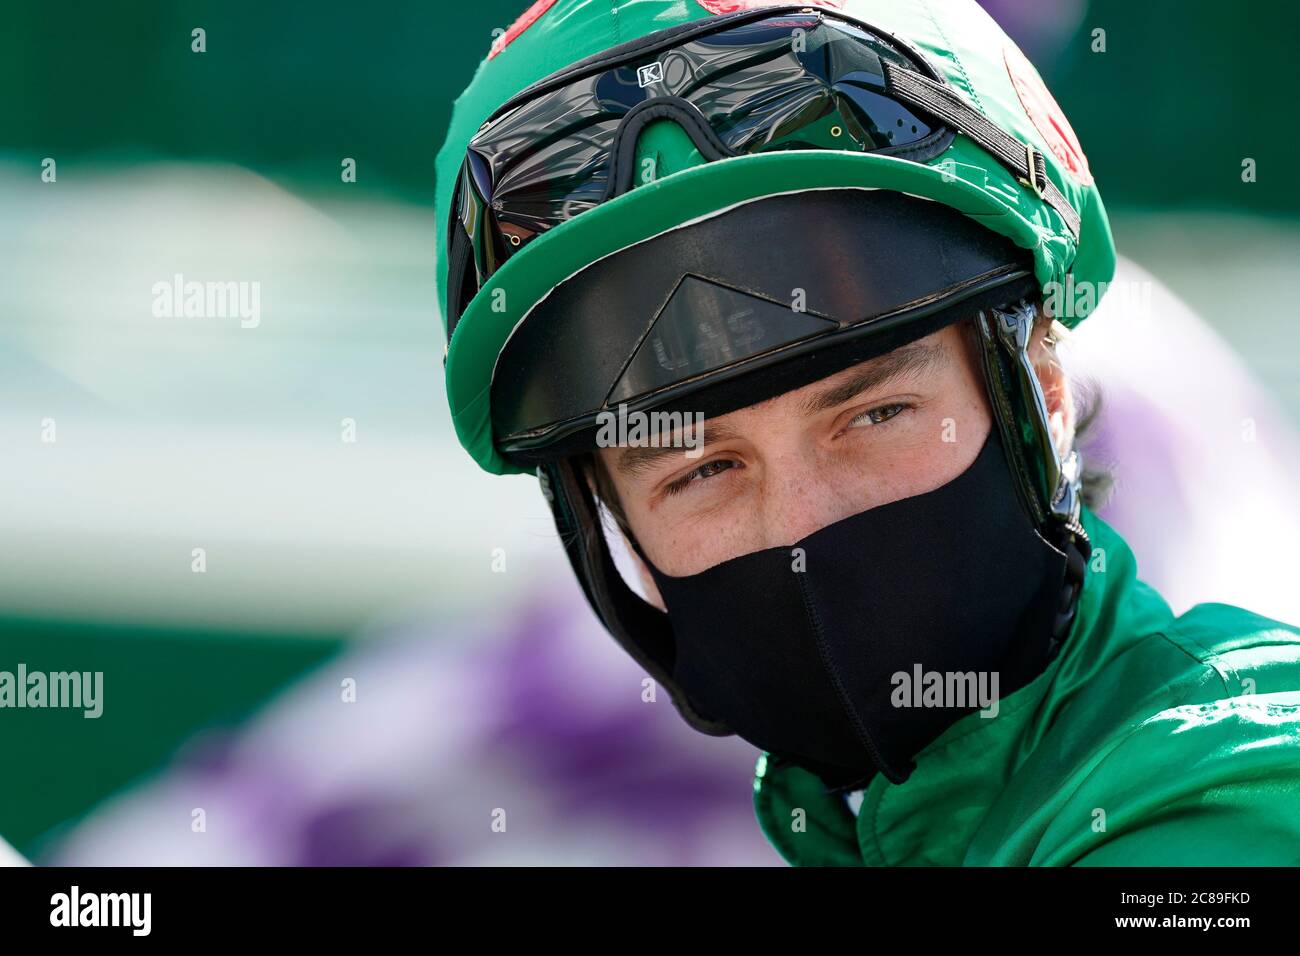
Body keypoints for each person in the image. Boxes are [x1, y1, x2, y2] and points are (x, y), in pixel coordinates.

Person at [435, 0, 1300, 865]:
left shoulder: (1227, 803)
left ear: (1042, 387)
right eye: (701, 471)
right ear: (607, 524)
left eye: (875, 415)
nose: (801, 524)